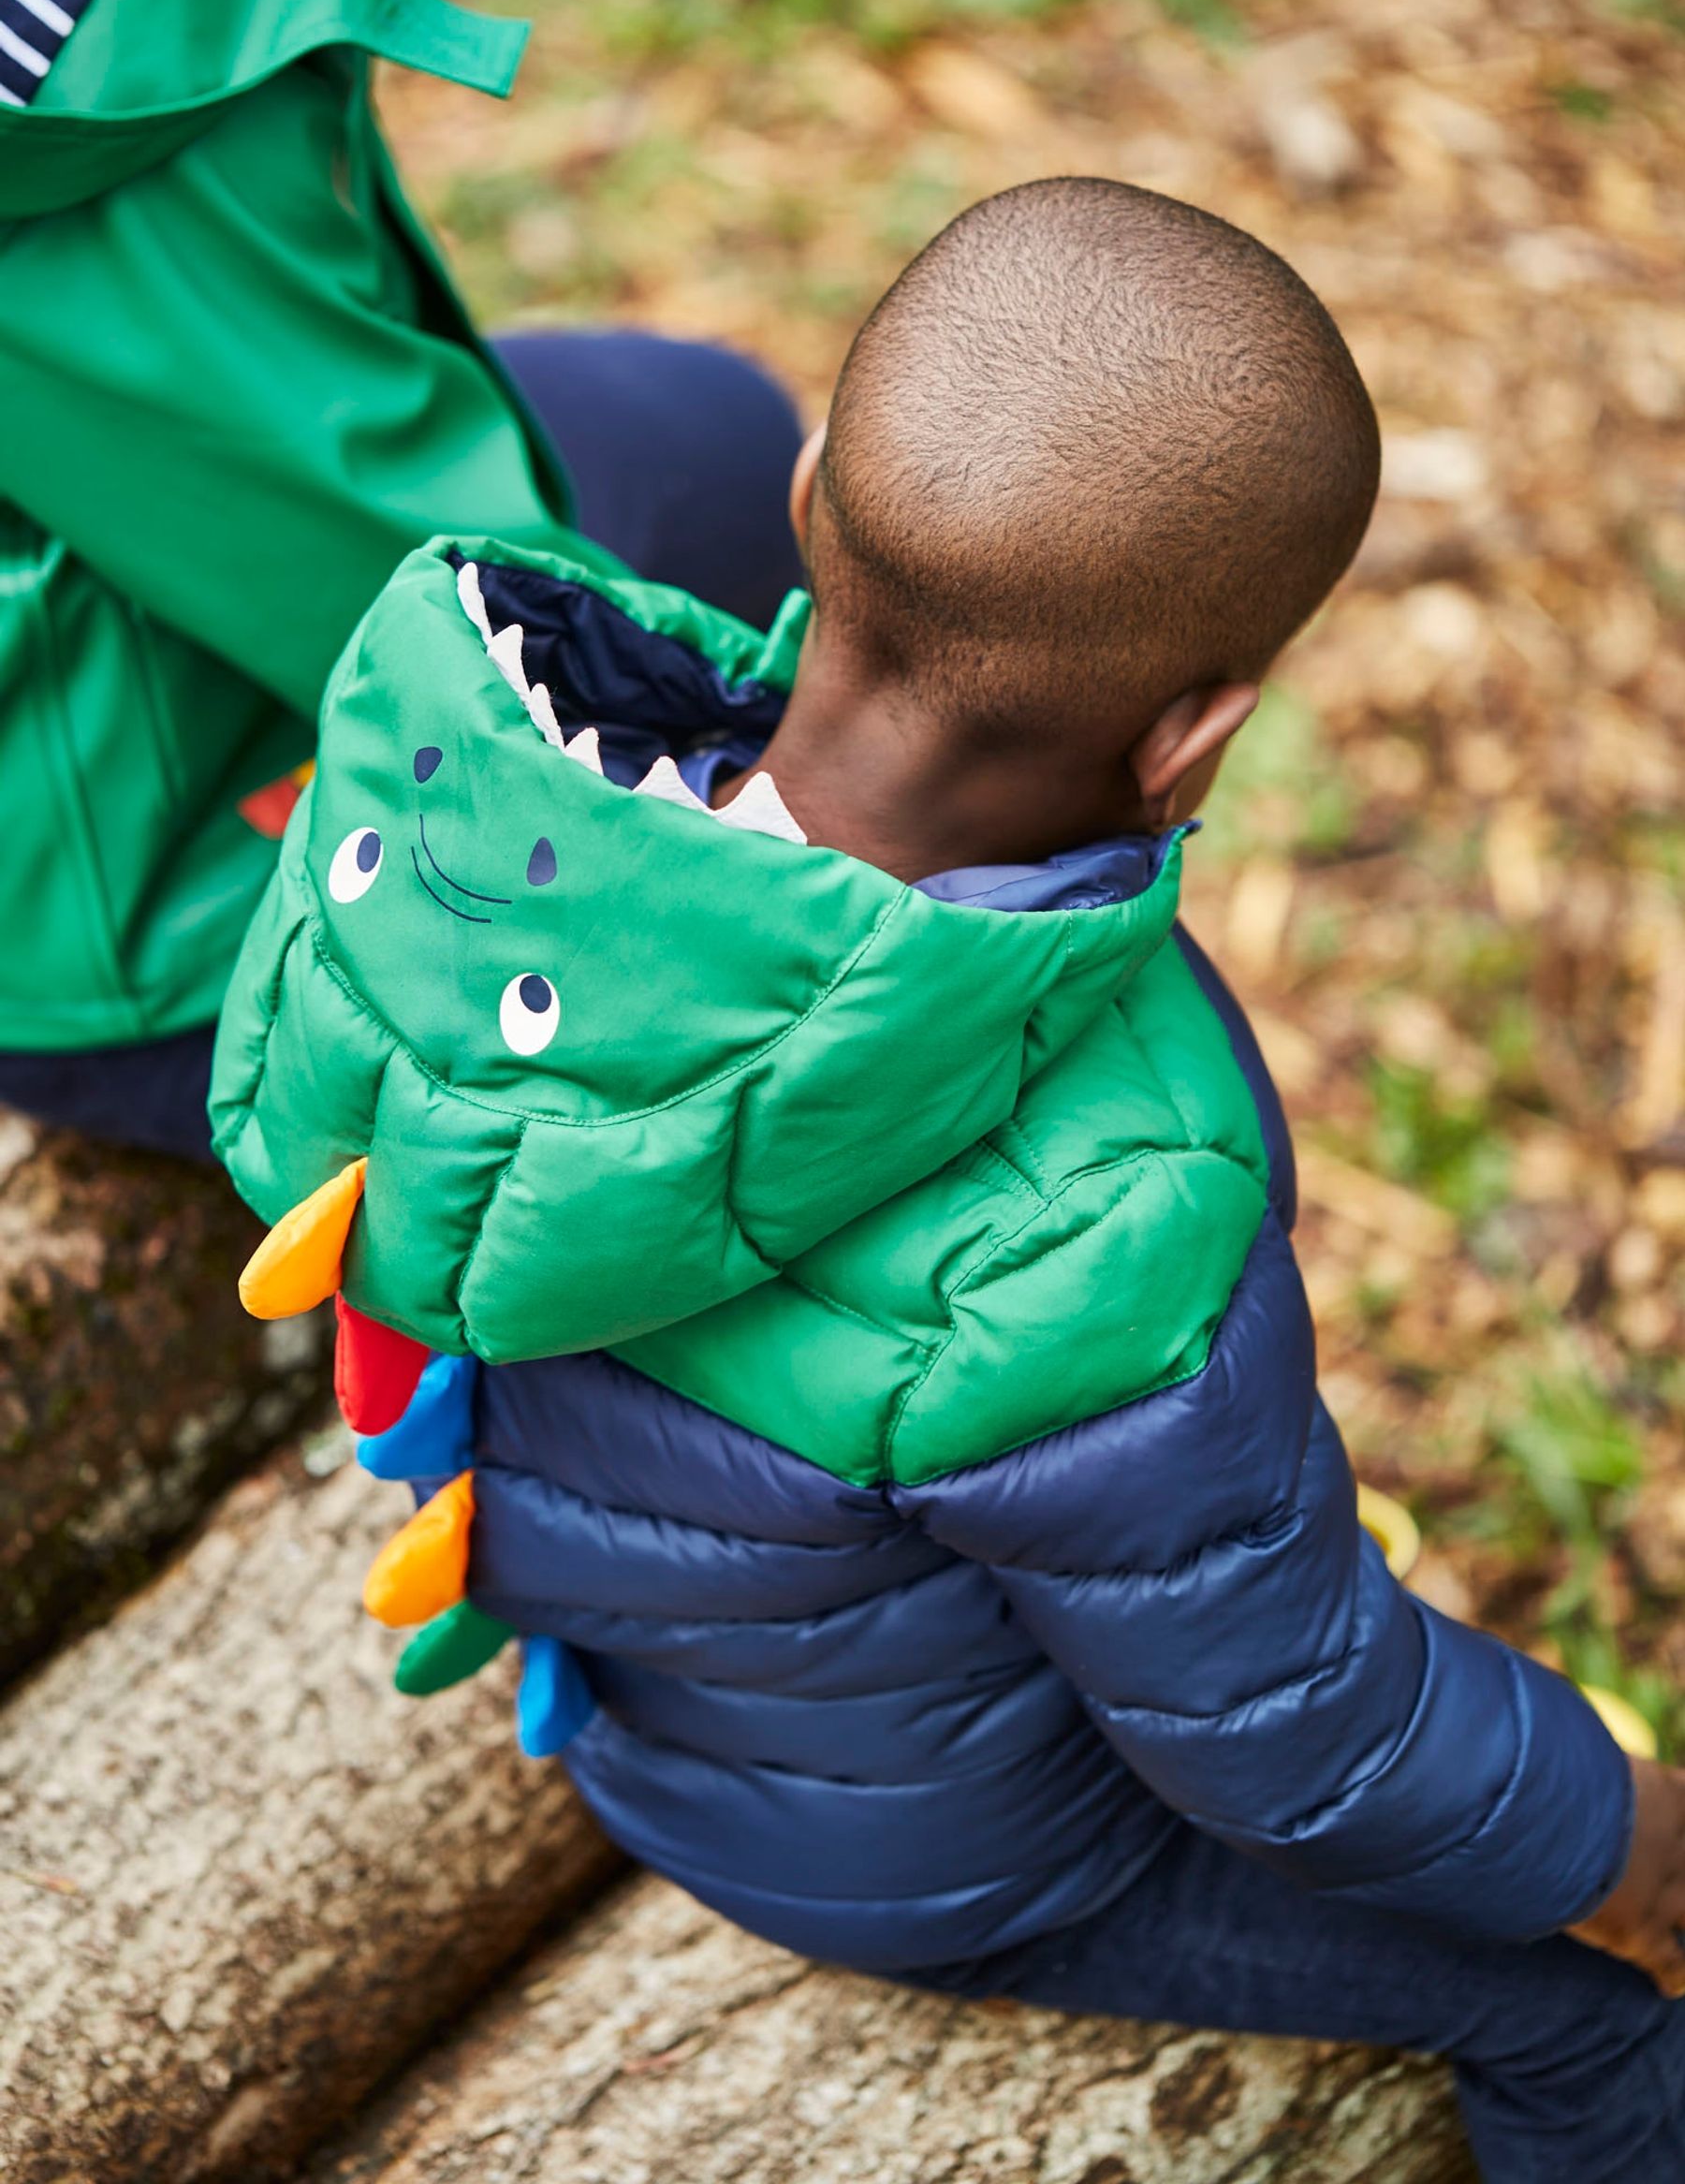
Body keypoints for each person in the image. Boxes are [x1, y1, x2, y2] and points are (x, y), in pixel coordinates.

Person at [211, 181, 1685, 2184]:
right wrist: (1630, 1835)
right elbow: (1299, 1740)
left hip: (620, 1666)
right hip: (914, 1849)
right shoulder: (1096, 1202)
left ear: (810, 492)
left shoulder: (483, 801)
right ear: (1197, 740)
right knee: (1598, 2028)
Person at [0, 0, 801, 1162]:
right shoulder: (78, 66)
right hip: (123, 924)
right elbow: (434, 622)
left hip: (86, 672)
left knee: (714, 436)